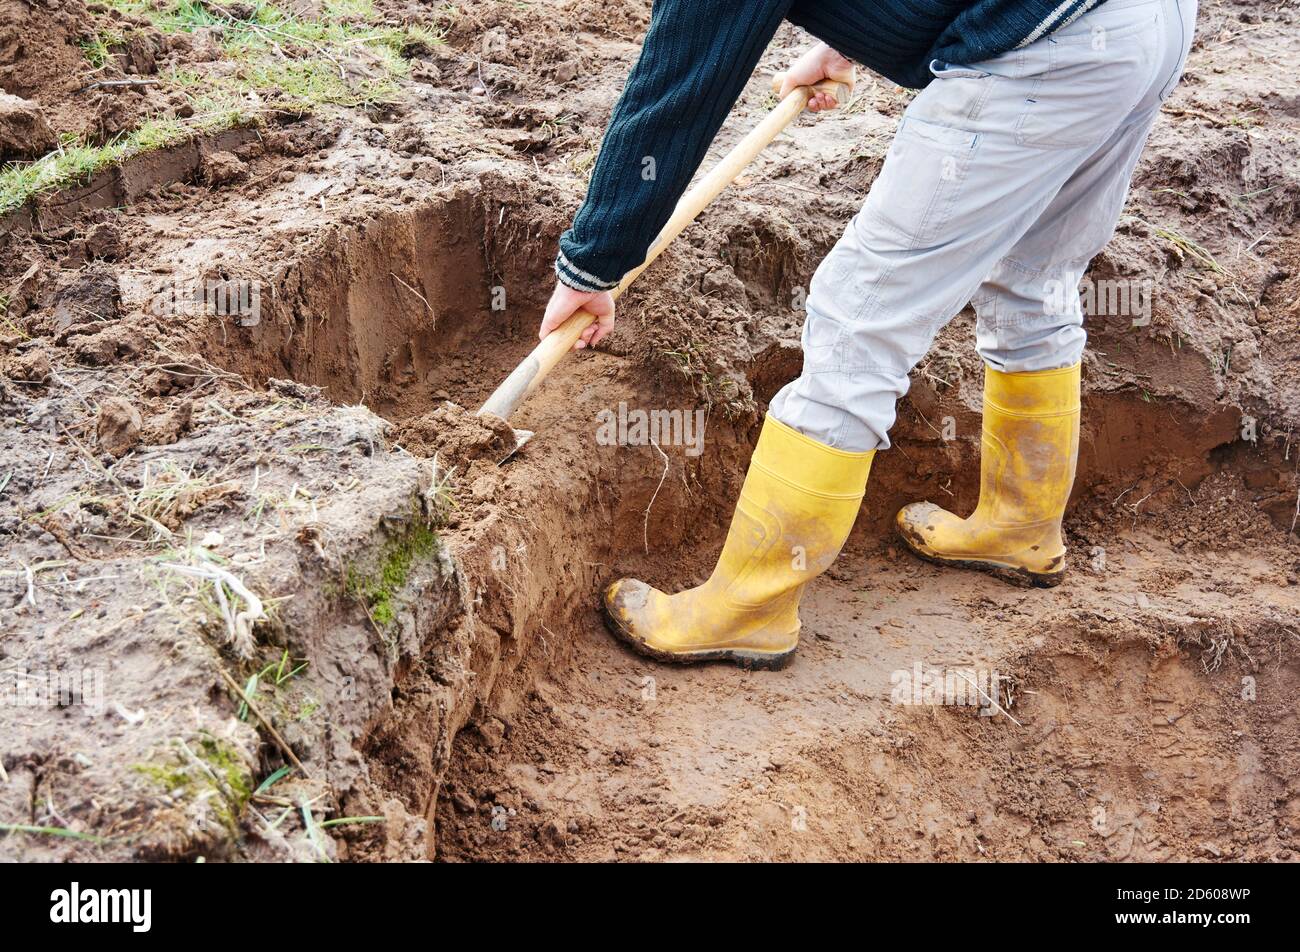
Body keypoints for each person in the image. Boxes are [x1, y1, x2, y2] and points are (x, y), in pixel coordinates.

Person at [538, 0, 1198, 668]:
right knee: (1034, 274)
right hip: (1141, 26)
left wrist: (594, 261)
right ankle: (1020, 524)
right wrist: (850, 40)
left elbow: (683, 78)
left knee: (862, 316)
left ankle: (748, 606)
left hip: (1046, 48)